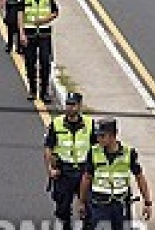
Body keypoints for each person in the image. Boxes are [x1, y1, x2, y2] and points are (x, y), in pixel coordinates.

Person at [78, 118, 153, 230]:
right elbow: (87, 178)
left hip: (121, 205)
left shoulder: (129, 153)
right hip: (99, 205)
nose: (98, 139)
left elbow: (139, 177)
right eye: (97, 136)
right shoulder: (93, 152)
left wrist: (147, 202)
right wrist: (82, 202)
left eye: (102, 136)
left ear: (114, 135)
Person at [45, 92, 93, 230]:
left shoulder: (90, 124)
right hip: (64, 171)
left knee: (89, 208)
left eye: (73, 104)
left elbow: (97, 148)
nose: (69, 107)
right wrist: (50, 169)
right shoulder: (57, 124)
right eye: (68, 104)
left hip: (84, 171)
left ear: (80, 106)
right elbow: (48, 147)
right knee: (62, 209)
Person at [20, 0, 58, 102]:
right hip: (29, 32)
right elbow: (20, 14)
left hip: (44, 33)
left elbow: (55, 12)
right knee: (30, 62)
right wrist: (21, 33)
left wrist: (44, 20)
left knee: (45, 62)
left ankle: (44, 91)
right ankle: (32, 89)